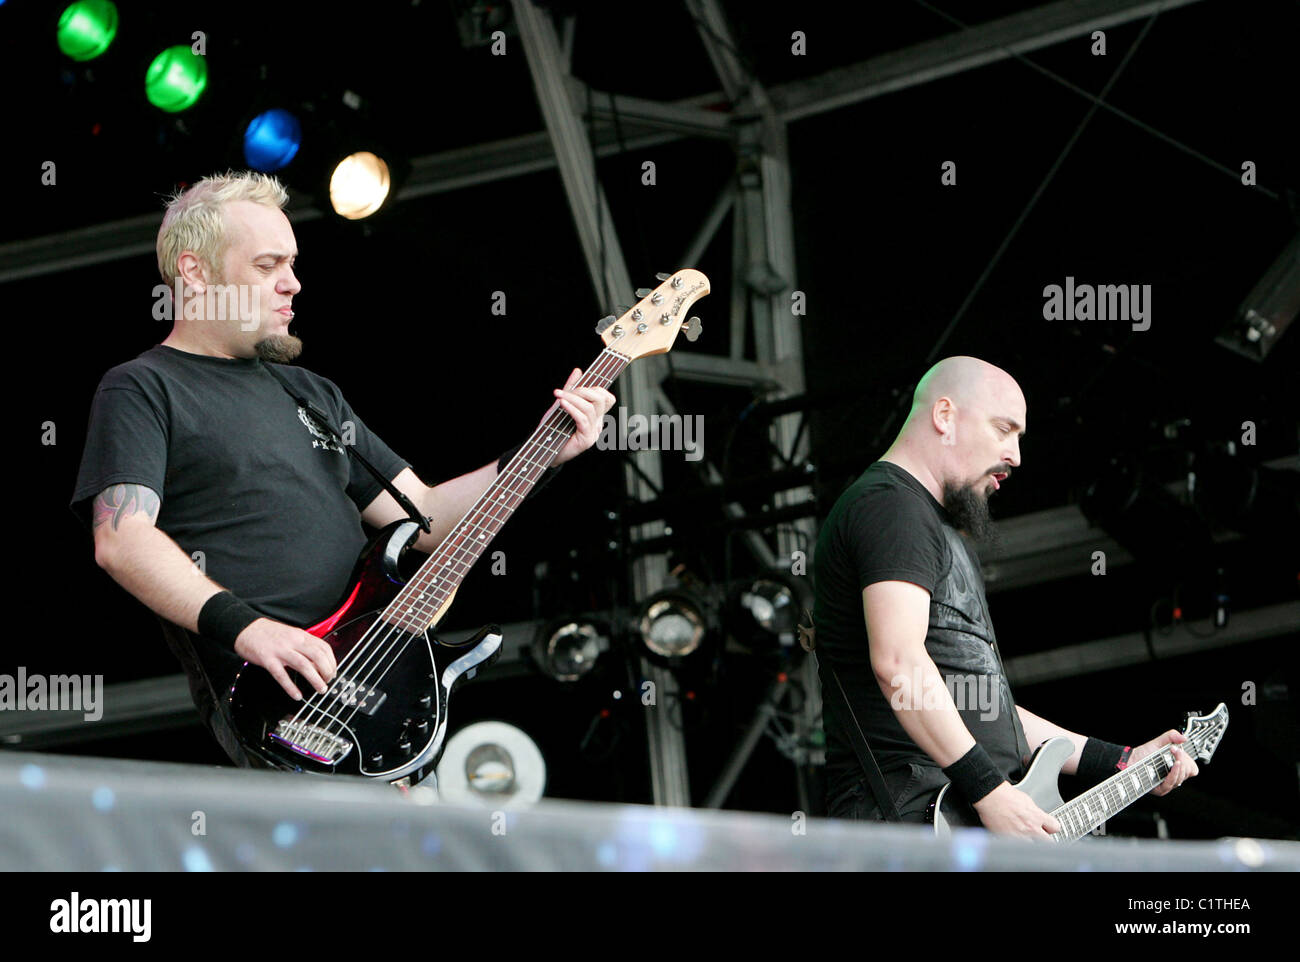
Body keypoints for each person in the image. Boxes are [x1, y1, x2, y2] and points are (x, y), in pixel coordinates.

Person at [70, 171, 615, 767]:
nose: (293, 283)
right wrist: (251, 630)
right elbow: (121, 539)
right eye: (266, 265)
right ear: (196, 273)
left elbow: (426, 518)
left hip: (376, 695)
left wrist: (543, 451)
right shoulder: (143, 387)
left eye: (293, 263)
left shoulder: (311, 393)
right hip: (281, 708)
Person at [813, 356, 1198, 838]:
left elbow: (983, 706)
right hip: (909, 824)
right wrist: (990, 792)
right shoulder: (891, 507)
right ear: (945, 416)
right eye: (1003, 429)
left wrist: (1121, 760)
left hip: (953, 816)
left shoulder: (938, 527)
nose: (1015, 455)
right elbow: (899, 664)